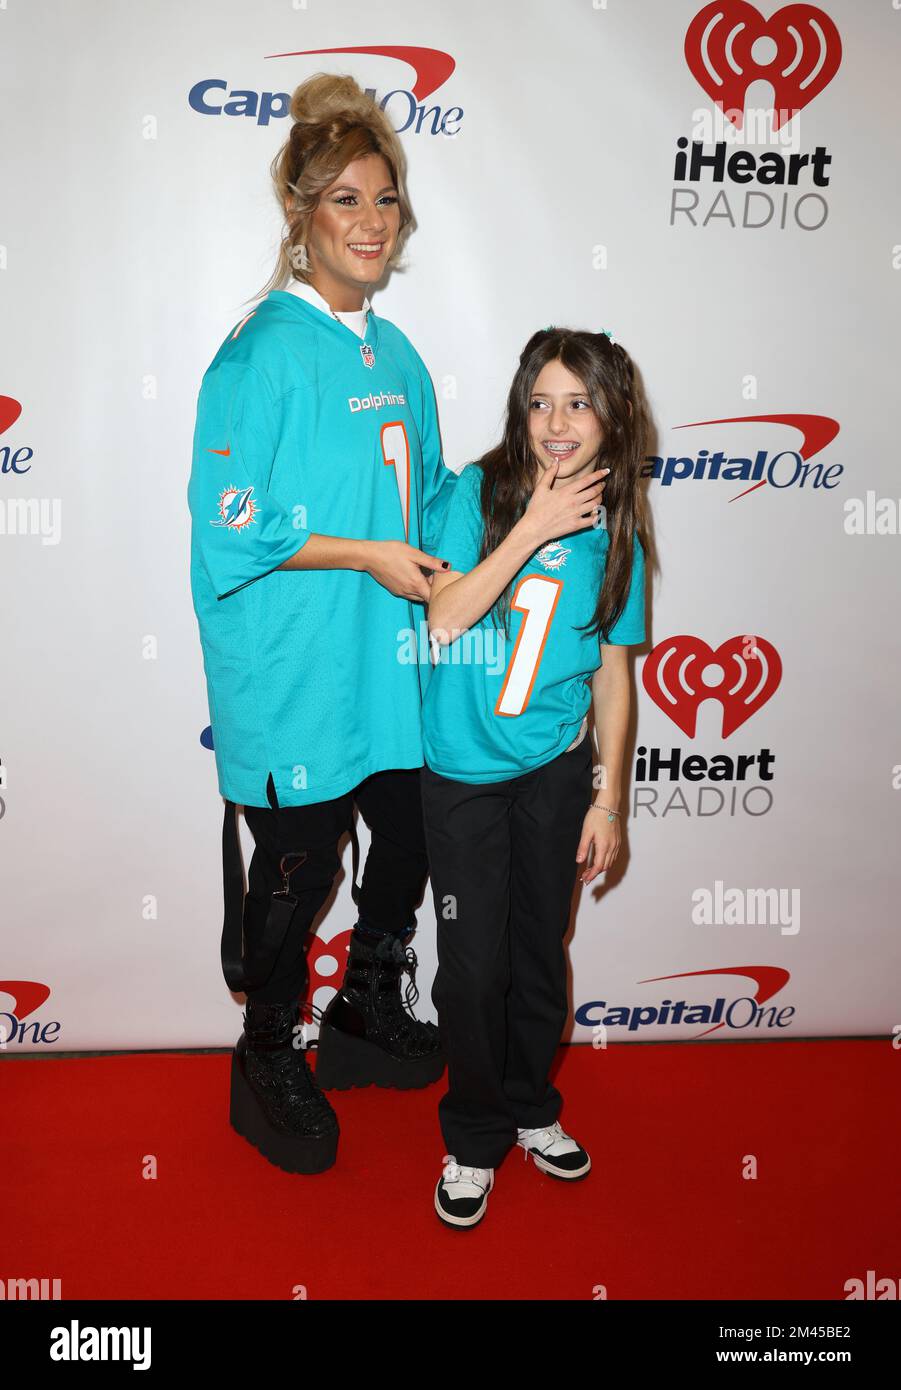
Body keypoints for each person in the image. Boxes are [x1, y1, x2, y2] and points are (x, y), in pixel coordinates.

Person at [187, 73, 457, 1176]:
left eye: (385, 201)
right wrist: (362, 554)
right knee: (296, 875)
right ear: (300, 216)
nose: (369, 223)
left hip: (386, 675)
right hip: (295, 676)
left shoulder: (395, 356)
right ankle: (265, 1053)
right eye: (344, 200)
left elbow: (431, 498)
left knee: (414, 831)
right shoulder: (257, 354)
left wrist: (532, 507)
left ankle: (363, 1005)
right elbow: (230, 522)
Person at [421, 327, 649, 1227]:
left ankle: (526, 1108)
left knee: (537, 960)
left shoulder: (621, 518)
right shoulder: (474, 493)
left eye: (578, 402)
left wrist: (609, 798)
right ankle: (471, 1135)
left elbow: (613, 676)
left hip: (556, 776)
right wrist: (532, 529)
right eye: (540, 400)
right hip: (463, 778)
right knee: (472, 968)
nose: (557, 421)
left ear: (610, 415)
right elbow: (441, 617)